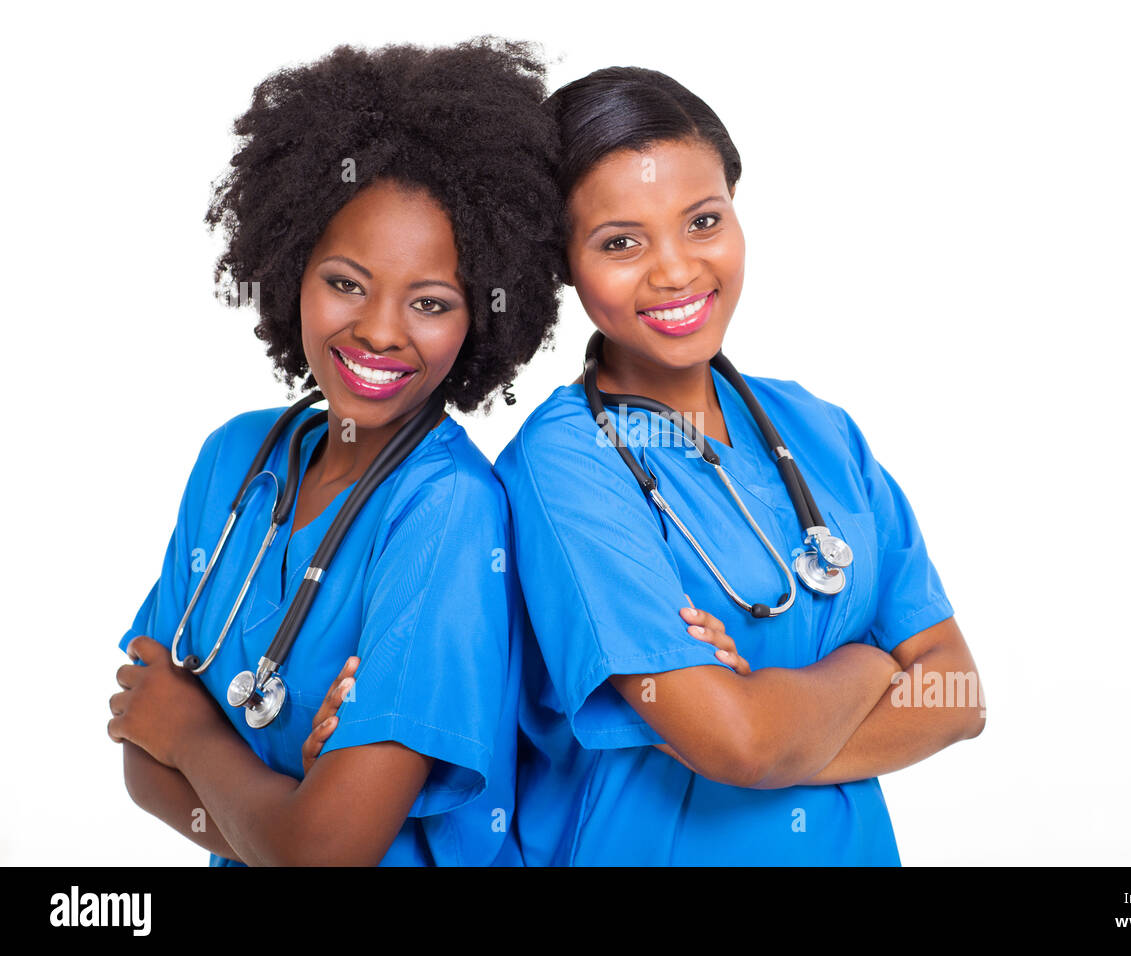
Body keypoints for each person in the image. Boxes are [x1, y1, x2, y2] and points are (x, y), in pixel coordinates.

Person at [491, 67, 986, 865]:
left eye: (703, 221)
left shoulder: (819, 430)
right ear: (563, 265)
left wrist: (770, 720)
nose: (677, 270)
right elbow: (739, 745)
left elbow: (957, 694)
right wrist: (869, 662)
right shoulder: (565, 464)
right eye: (620, 242)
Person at [107, 39, 564, 866]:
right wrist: (275, 814)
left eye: (430, 302)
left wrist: (196, 737)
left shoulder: (448, 509)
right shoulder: (234, 461)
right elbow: (138, 755)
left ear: (482, 321)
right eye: (346, 282)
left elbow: (325, 851)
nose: (380, 331)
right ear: (290, 270)